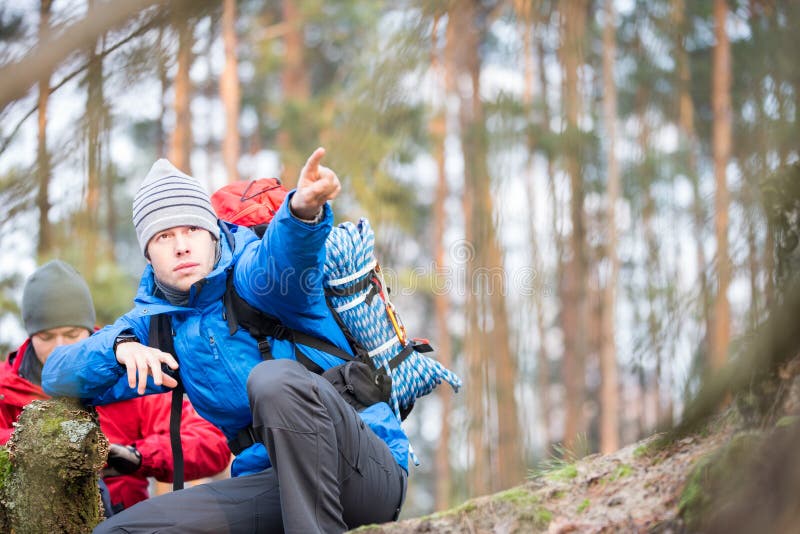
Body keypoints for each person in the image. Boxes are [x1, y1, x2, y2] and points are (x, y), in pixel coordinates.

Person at [42, 148, 409, 533]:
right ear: (148, 254)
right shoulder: (159, 328)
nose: (181, 245)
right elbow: (57, 374)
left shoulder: (255, 279)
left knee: (273, 381)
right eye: (164, 236)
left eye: (192, 230)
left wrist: (302, 212)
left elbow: (285, 257)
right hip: (276, 486)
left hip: (364, 470)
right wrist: (118, 346)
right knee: (117, 531)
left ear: (213, 232)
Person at [0, 260, 232, 513]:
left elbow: (212, 443)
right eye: (46, 337)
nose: (60, 347)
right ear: (30, 334)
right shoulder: (5, 389)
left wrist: (136, 457)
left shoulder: (129, 371)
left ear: (89, 330)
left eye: (72, 334)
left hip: (123, 519)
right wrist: (44, 447)